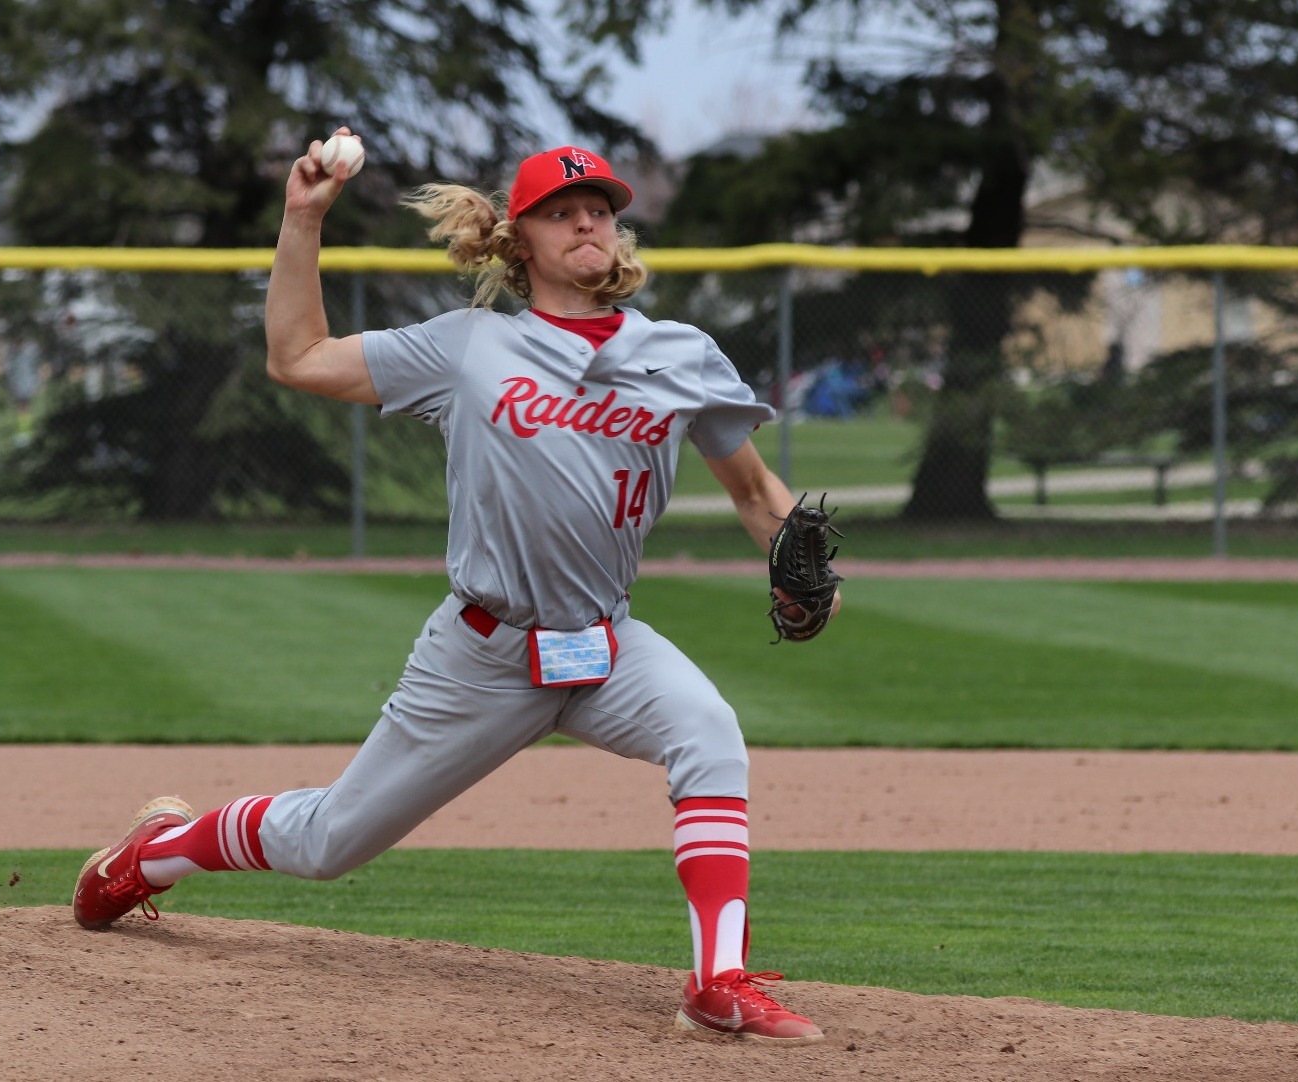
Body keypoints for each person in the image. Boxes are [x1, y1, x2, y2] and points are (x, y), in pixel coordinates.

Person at [72, 130, 841, 1045]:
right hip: (482, 655)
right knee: (328, 842)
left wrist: (800, 569)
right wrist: (302, 219)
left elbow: (754, 492)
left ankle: (717, 982)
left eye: (599, 209)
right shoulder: (470, 347)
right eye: (561, 212)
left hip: (606, 645)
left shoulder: (679, 354)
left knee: (709, 732)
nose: (587, 222)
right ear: (520, 241)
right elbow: (298, 357)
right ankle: (155, 853)